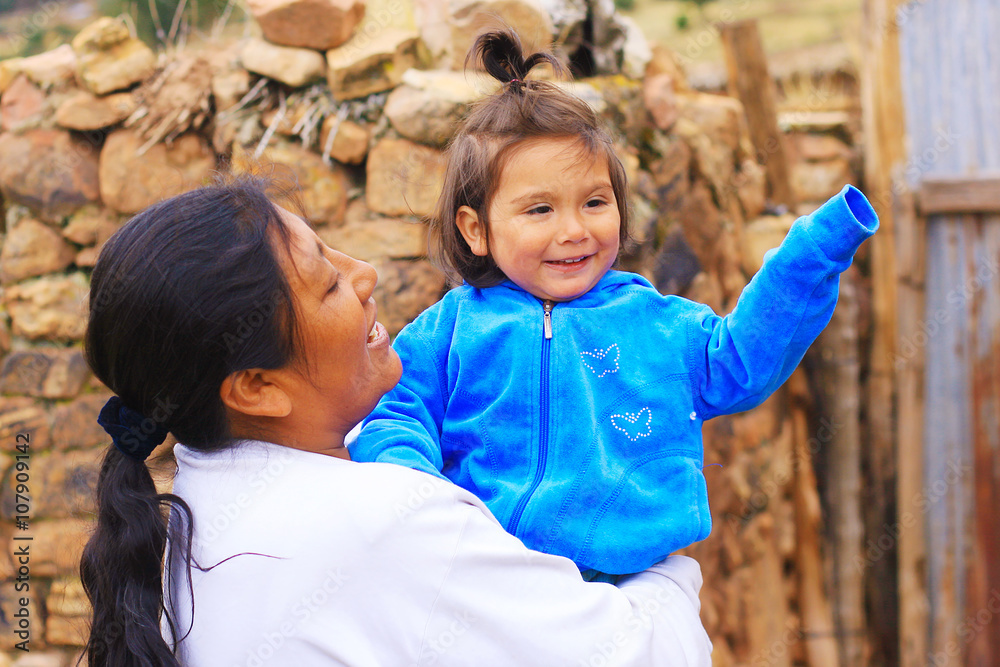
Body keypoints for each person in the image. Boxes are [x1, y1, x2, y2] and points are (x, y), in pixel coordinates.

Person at [79, 176, 713, 667]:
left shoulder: (191, 512)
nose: (364, 274)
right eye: (327, 285)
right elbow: (642, 653)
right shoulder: (383, 521)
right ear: (257, 387)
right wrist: (667, 566)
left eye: (332, 250)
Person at [352, 30, 880, 580]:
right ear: (476, 229)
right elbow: (394, 415)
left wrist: (812, 254)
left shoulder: (655, 323)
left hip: (626, 588)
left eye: (595, 202)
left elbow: (740, 361)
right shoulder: (449, 331)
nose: (574, 230)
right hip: (488, 581)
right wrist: (424, 504)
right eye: (539, 210)